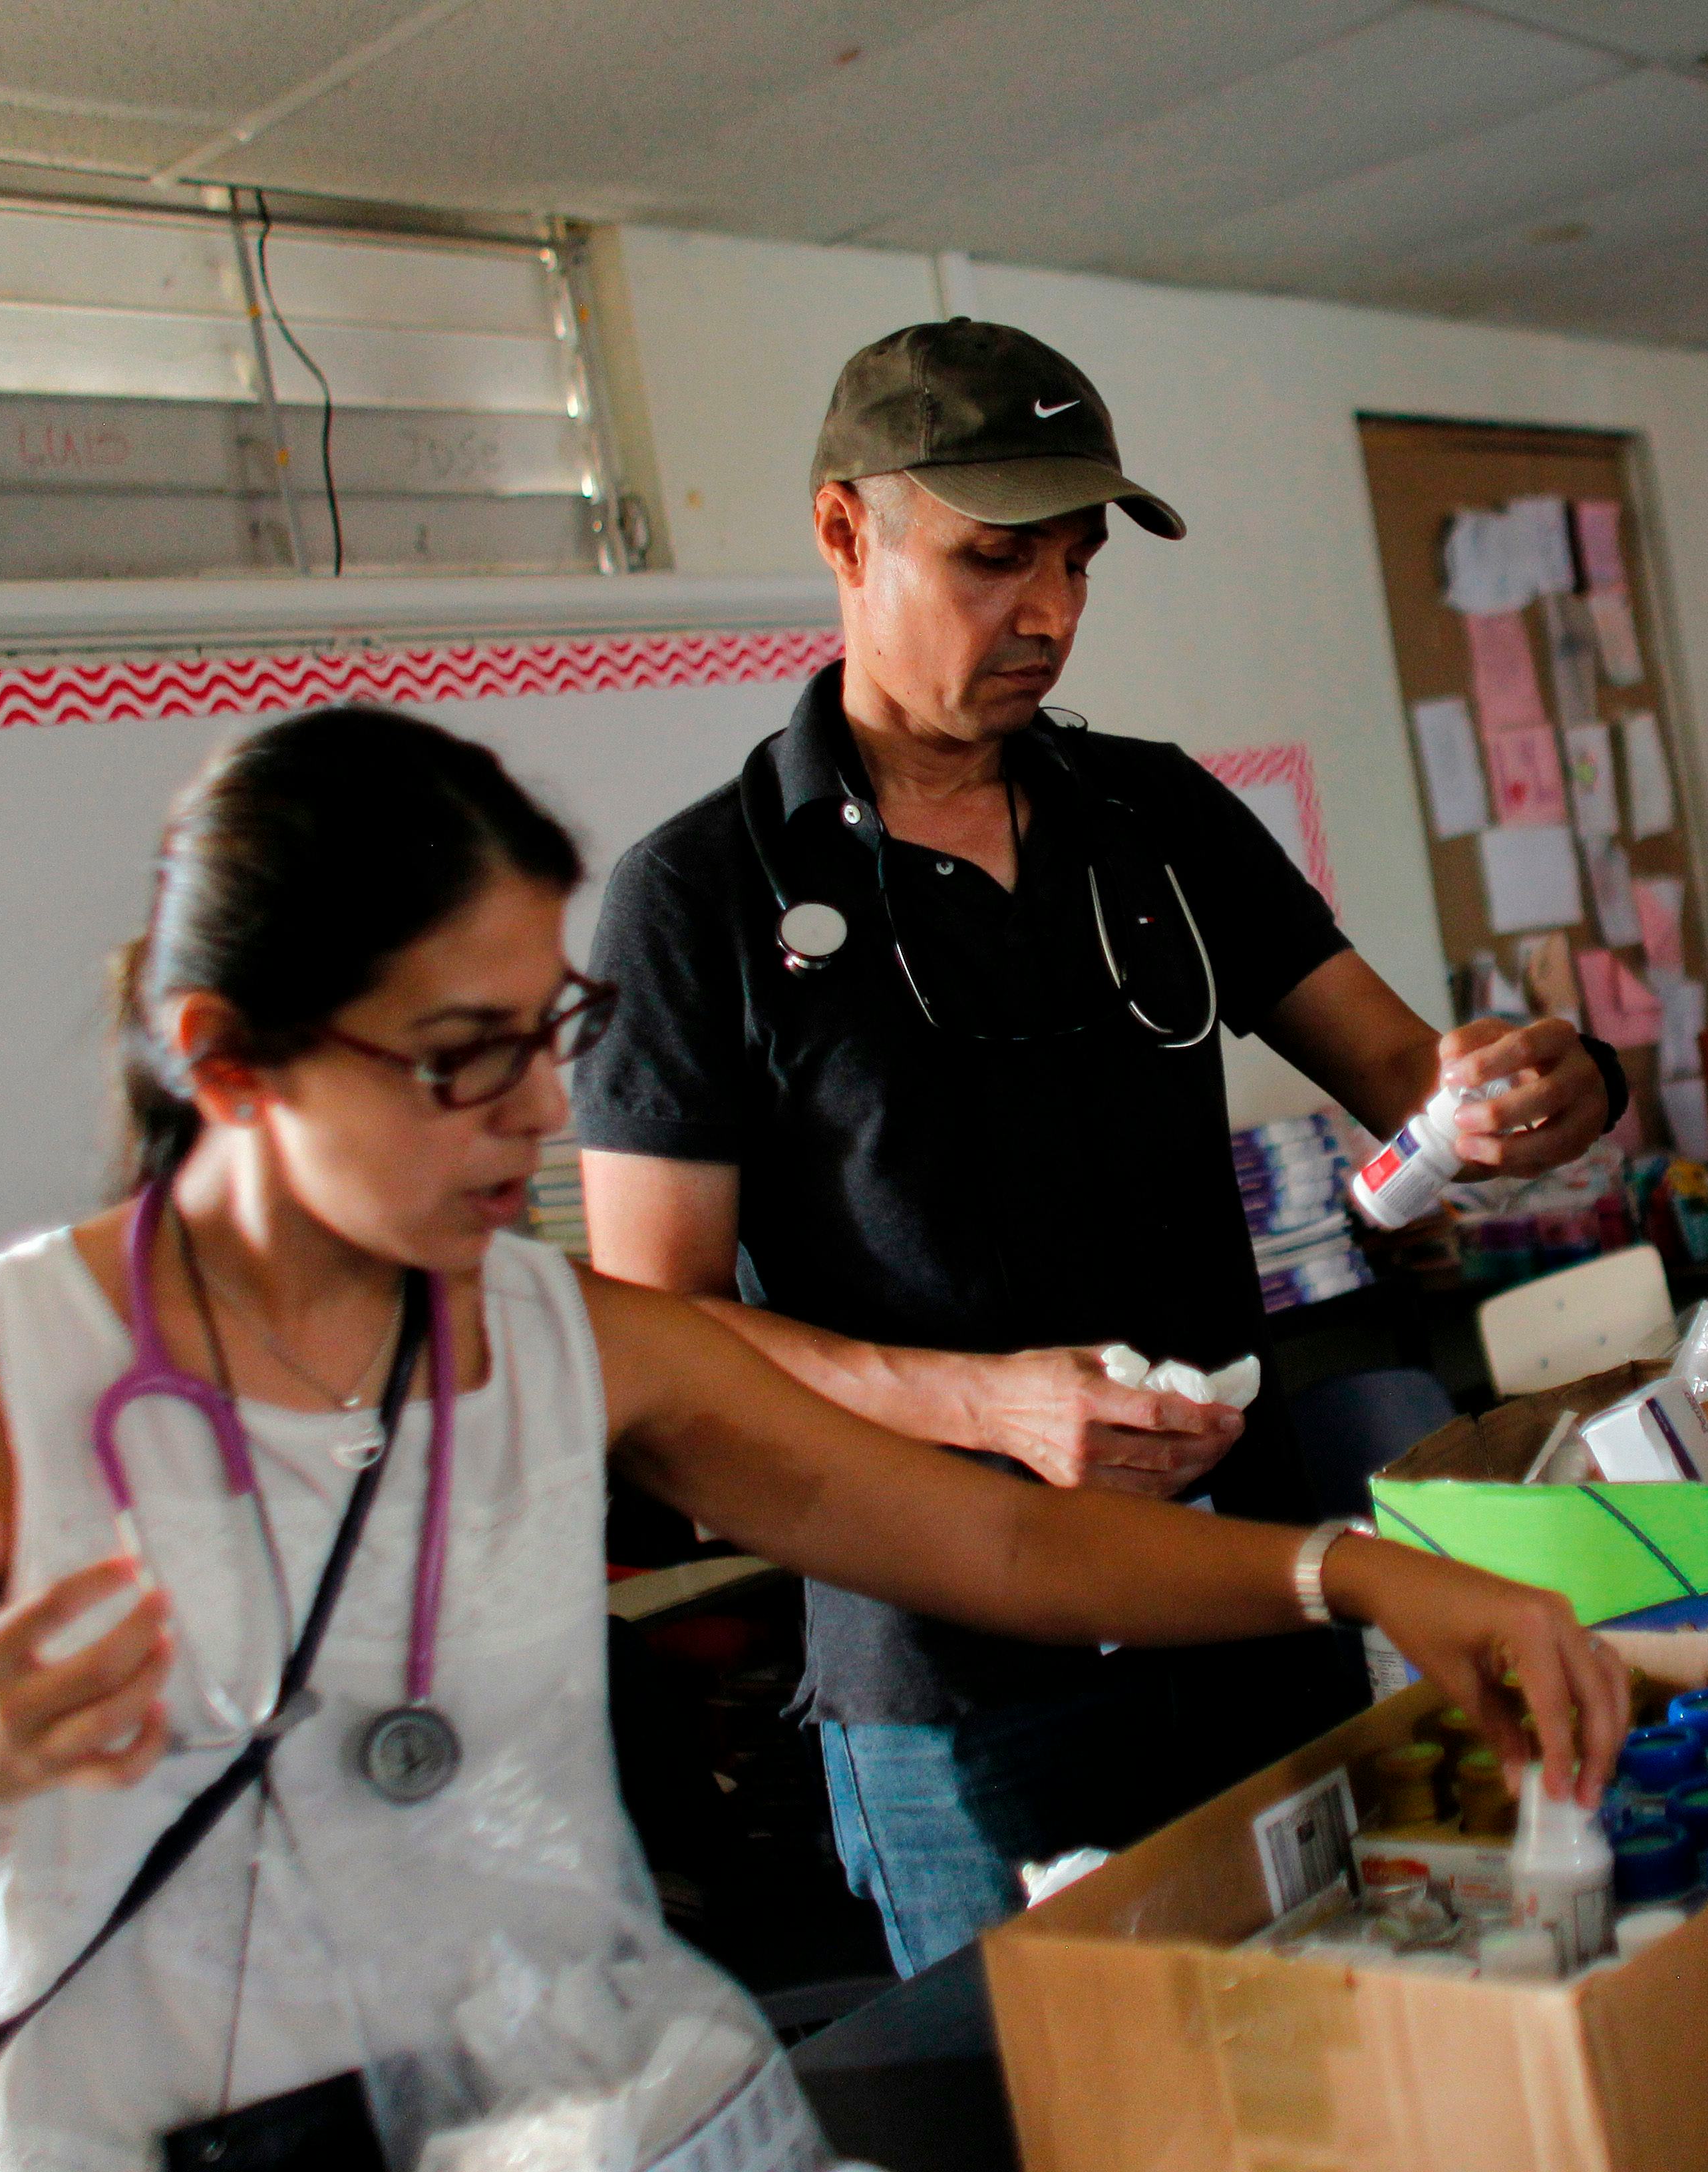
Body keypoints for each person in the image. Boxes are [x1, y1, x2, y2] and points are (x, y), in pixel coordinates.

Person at [0, 707, 1629, 2169]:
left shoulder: (560, 1336)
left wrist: (1353, 1569)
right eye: (464, 1061)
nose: (539, 1117)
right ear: (225, 1063)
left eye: (556, 1028)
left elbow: (998, 1547)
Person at [574, 318, 1628, 1975]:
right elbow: (657, 1337)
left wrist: (1528, 1086)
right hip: (958, 1684)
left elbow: (1410, 1074)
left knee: (1344, 2047)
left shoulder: (1157, 819)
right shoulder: (699, 899)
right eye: (997, 561)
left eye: (1075, 564)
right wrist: (984, 1403)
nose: (1051, 615)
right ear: (847, 532)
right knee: (1073, 2110)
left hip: (1249, 1601)